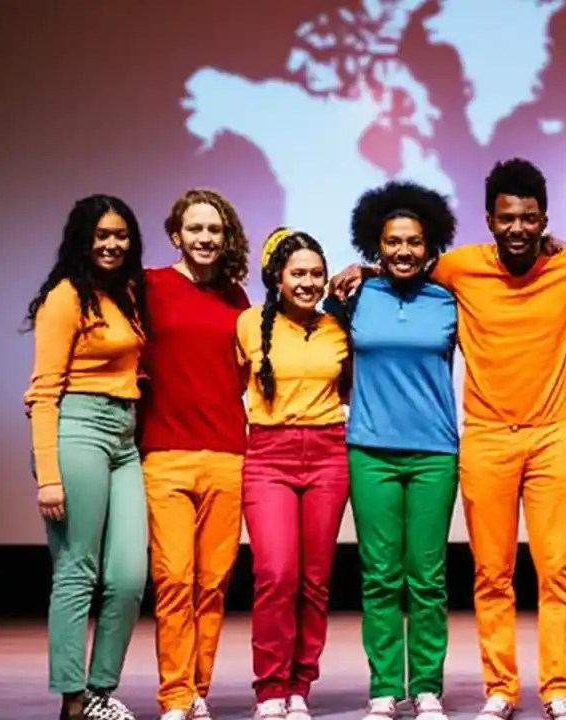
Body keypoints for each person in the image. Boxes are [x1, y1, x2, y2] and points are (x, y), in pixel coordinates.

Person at [328, 158, 566, 720]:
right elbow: (402, 271)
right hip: (485, 438)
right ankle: (501, 690)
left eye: (529, 218)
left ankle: (558, 689)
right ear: (490, 219)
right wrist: (361, 273)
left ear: (544, 220)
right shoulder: (459, 269)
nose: (518, 228)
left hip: (552, 437)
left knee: (558, 570)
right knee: (491, 573)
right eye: (507, 218)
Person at [326, 182, 460, 720]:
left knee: (426, 577)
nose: (403, 250)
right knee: (380, 574)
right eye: (392, 242)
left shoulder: (450, 299)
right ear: (375, 246)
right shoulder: (354, 296)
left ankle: (426, 686)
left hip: (434, 453)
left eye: (414, 242)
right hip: (370, 450)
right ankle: (384, 686)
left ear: (431, 248)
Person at [25, 194, 149, 720]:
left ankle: (100, 688)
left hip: (124, 435)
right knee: (77, 568)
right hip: (77, 428)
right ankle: (73, 699)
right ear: (82, 239)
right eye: (102, 235)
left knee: (128, 575)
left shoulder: (125, 295)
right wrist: (48, 476)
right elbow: (43, 392)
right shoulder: (66, 298)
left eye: (120, 235)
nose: (112, 244)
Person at [140, 188, 252, 720]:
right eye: (196, 229)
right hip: (165, 453)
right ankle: (175, 694)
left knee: (213, 582)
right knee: (173, 578)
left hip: (229, 452)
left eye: (214, 230)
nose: (205, 238)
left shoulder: (237, 298)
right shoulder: (151, 286)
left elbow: (248, 371)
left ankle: (198, 691)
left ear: (225, 236)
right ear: (176, 236)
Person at [239, 229, 351, 720]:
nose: (309, 283)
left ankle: (301, 685)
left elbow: (349, 390)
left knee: (314, 578)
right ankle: (270, 688)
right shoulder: (247, 325)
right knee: (275, 573)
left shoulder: (336, 328)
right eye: (298, 274)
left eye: (316, 274)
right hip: (268, 455)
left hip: (328, 452)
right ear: (277, 279)